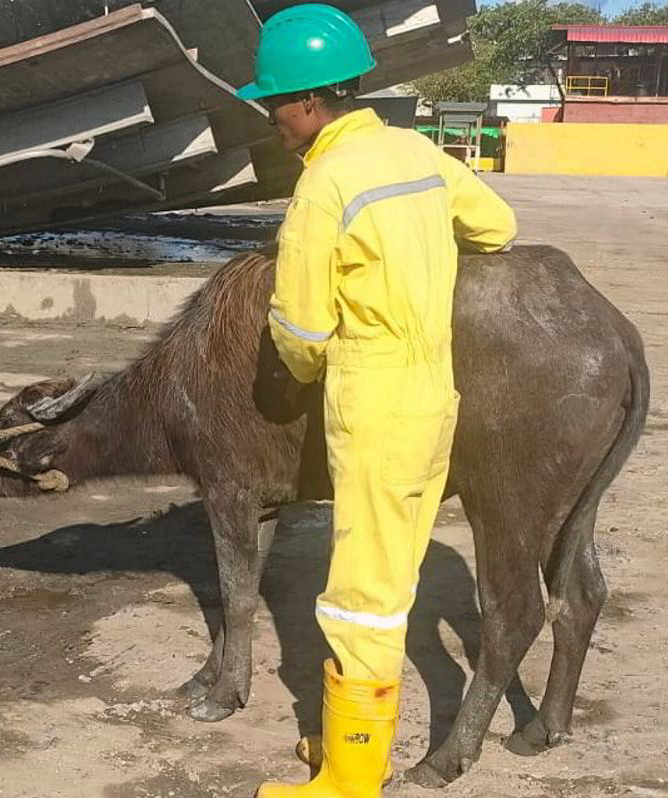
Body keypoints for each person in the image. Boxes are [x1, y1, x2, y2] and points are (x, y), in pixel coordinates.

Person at [235, 6, 517, 797]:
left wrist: (292, 369)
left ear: (309, 102)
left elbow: (300, 327)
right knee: (393, 577)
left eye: (273, 104)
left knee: (361, 595)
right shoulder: (415, 150)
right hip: (435, 396)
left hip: (374, 404)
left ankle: (351, 781)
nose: (272, 119)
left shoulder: (323, 184)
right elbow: (496, 225)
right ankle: (349, 745)